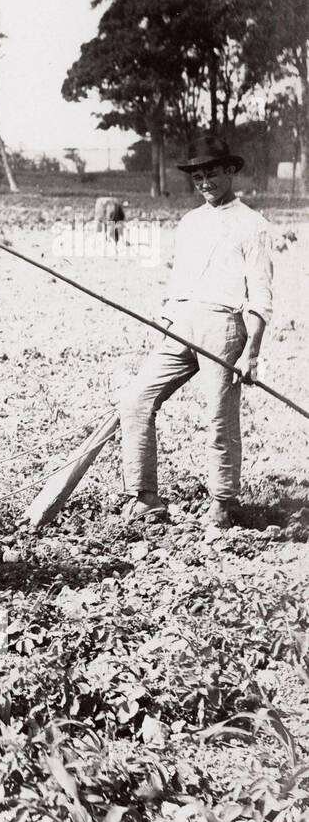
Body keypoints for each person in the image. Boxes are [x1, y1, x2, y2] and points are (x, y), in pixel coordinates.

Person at [119, 135, 275, 528]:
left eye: (212, 173)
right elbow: (180, 280)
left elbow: (260, 294)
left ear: (230, 171)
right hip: (181, 325)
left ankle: (223, 503)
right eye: (198, 176)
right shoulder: (189, 223)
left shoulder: (252, 225)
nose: (205, 182)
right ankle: (145, 497)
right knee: (136, 401)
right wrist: (168, 319)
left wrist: (251, 352)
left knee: (219, 419)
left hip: (223, 327)